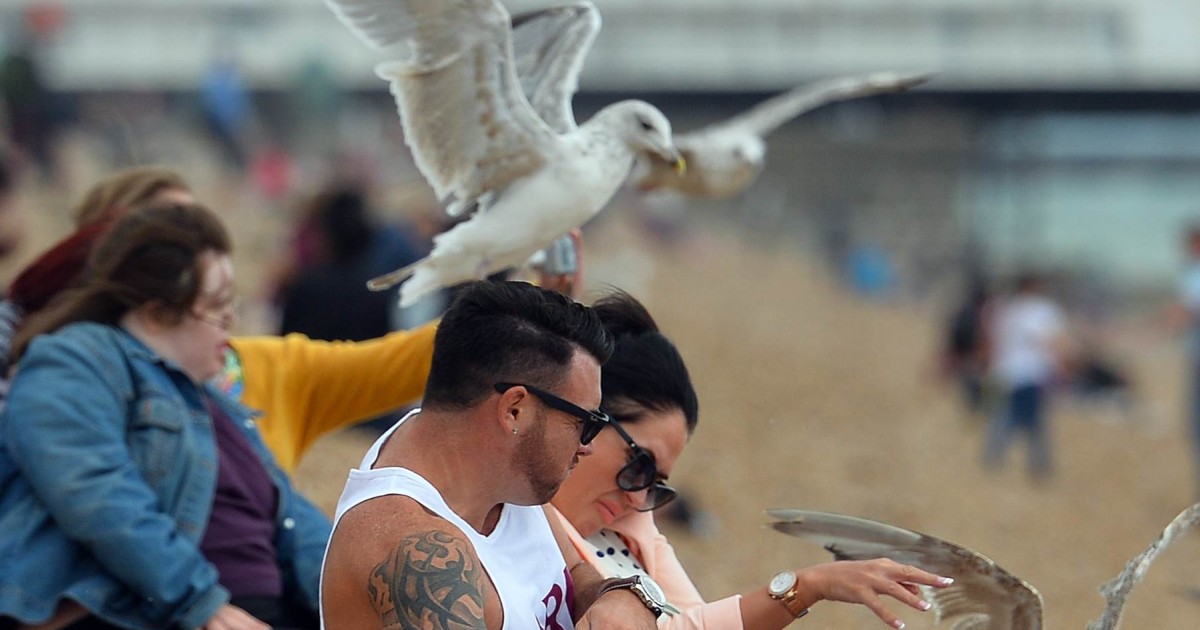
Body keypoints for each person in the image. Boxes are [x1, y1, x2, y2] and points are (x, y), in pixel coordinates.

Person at [0, 202, 329, 629]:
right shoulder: (75, 359)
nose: (230, 318)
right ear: (155, 313)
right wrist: (203, 603)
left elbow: (294, 521)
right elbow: (95, 490)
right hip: (147, 616)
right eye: (214, 304)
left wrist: (357, 595)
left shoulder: (216, 404)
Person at [548, 291, 952, 629]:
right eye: (639, 465)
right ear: (583, 416)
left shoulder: (628, 526)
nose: (639, 498)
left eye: (656, 485)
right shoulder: (512, 522)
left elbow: (694, 619)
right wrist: (808, 585)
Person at [0, 166, 439, 472]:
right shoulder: (64, 384)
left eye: (198, 226)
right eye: (164, 237)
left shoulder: (274, 370)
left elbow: (410, 360)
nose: (193, 249)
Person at [321, 280, 659, 630]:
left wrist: (618, 596)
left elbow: (573, 573)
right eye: (585, 423)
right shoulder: (417, 552)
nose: (586, 446)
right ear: (515, 410)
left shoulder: (498, 469)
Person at [982, 272, 1070, 480]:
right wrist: (1063, 365)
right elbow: (1048, 340)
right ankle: (1038, 467)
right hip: (1029, 374)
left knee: (1006, 418)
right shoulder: (1036, 311)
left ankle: (994, 459)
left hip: (1005, 372)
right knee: (1031, 423)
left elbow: (992, 340)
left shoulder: (1007, 309)